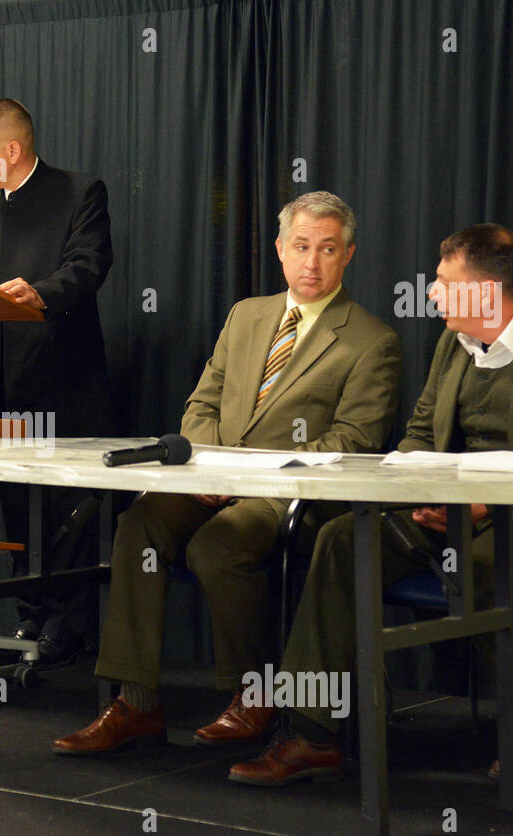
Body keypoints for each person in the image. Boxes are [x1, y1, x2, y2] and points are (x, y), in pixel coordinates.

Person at [229, 223, 513, 785]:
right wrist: (414, 487)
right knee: (342, 541)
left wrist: (484, 507)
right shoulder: (455, 343)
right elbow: (422, 434)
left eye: (444, 282)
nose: (429, 293)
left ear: (486, 292)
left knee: (480, 569)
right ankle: (311, 732)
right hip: (445, 509)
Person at [53, 191, 402, 755]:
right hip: (212, 478)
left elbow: (355, 443)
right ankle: (135, 702)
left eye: (328, 249)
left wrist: (249, 477)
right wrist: (211, 468)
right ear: (280, 251)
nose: (312, 262)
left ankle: (255, 692)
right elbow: (202, 407)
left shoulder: (371, 340)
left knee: (217, 546)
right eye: (301, 246)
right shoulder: (247, 315)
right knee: (139, 521)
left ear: (349, 255)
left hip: (293, 497)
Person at [0, 98, 114, 667]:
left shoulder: (80, 192)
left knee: (69, 512)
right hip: (3, 390)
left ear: (11, 151)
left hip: (66, 387)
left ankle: (70, 627)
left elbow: (89, 266)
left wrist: (43, 293)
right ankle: (27, 618)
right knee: (18, 507)